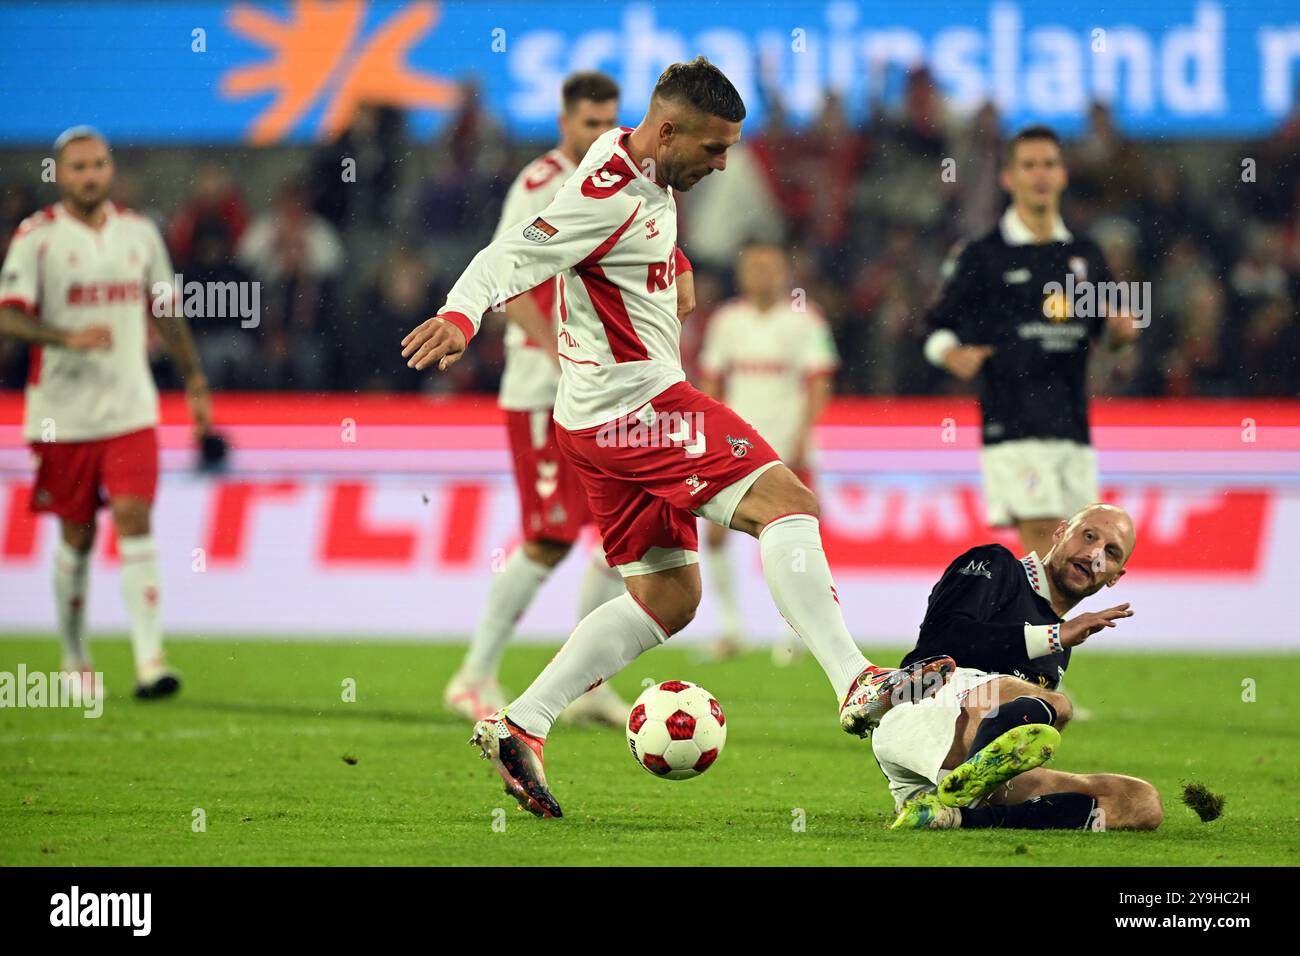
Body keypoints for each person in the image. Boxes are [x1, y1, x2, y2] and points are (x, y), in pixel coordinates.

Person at [403, 57, 953, 819]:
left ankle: (521, 722)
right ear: (666, 130)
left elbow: (637, 211)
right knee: (787, 500)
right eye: (714, 148)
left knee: (667, 596)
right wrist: (462, 315)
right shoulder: (606, 192)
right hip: (640, 407)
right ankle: (856, 679)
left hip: (590, 421)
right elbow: (513, 255)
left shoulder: (635, 161)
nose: (724, 164)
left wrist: (677, 262)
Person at [443, 71, 654, 727]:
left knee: (620, 534)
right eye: (589, 124)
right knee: (549, 537)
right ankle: (472, 674)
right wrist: (561, 353)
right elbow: (507, 279)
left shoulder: (621, 181)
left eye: (609, 122)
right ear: (564, 124)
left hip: (600, 397)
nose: (601, 134)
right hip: (542, 393)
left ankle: (588, 685)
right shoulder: (541, 184)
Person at [0, 127, 212, 699]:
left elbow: (167, 312)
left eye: (98, 165)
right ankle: (73, 653)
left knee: (134, 516)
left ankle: (151, 662)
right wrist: (65, 336)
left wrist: (193, 382)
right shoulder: (36, 238)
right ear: (60, 175)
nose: (89, 175)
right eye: (78, 168)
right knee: (77, 535)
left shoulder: (140, 234)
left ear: (110, 168)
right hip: (62, 415)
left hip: (130, 409)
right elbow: (8, 317)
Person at [922, 125, 1140, 560]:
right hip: (1013, 420)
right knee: (1044, 535)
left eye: (1049, 164)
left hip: (1073, 424)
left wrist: (1122, 334)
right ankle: (1041, 629)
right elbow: (936, 326)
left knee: (1080, 550)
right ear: (1009, 178)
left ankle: (1043, 625)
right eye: (1029, 165)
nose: (1040, 175)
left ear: (1063, 175)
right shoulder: (983, 254)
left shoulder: (1087, 254)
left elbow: (1111, 336)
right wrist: (950, 353)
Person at [876, 504, 1163, 831]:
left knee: (1140, 802)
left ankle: (955, 816)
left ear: (1115, 577)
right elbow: (941, 638)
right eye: (1088, 536)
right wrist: (1052, 636)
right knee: (1056, 704)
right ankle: (975, 784)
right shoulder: (995, 565)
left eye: (1110, 552)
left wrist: (1055, 637)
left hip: (960, 765)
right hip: (921, 714)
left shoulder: (1060, 642)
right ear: (1060, 532)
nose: (1094, 554)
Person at [697, 240, 837, 665]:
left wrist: (802, 433)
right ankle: (733, 627)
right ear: (742, 274)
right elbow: (711, 381)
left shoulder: (804, 319)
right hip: (735, 449)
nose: (761, 274)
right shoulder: (726, 321)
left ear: (784, 273)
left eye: (770, 266)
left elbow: (819, 381)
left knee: (793, 540)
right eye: (754, 266)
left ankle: (792, 631)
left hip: (787, 448)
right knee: (716, 534)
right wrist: (707, 437)